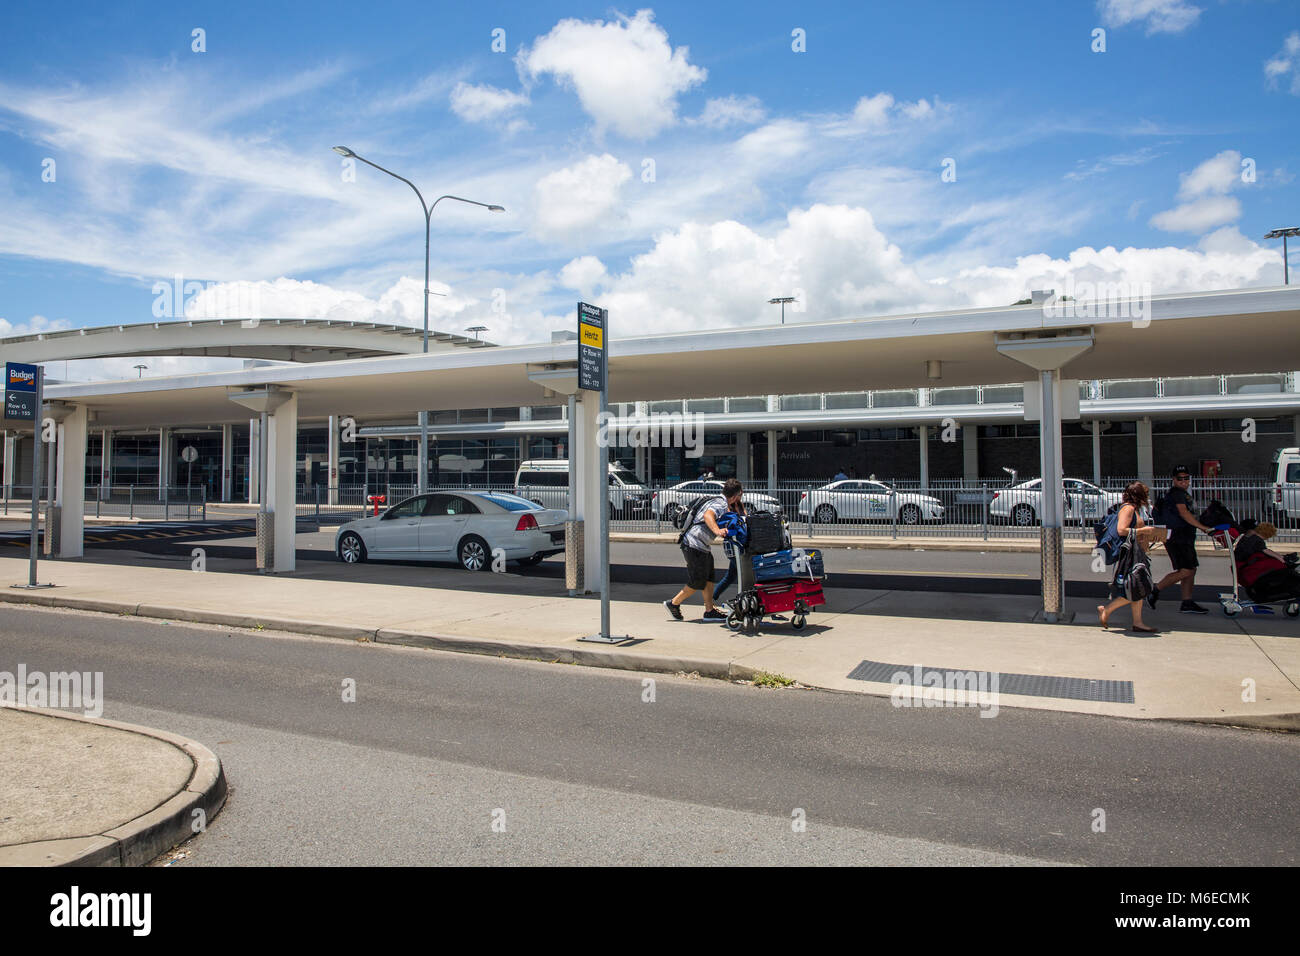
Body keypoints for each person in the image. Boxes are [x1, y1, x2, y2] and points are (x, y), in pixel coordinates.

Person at [665, 478, 742, 622]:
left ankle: (709, 610)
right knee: (697, 581)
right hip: (693, 544)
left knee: (709, 579)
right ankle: (673, 603)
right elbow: (708, 515)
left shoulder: (720, 500)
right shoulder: (719, 503)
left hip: (701, 546)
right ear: (735, 495)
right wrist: (717, 531)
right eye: (740, 496)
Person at [1149, 465, 1213, 614]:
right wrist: (1204, 528)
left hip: (1185, 537)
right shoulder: (1177, 494)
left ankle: (1187, 602)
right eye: (1180, 478)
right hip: (1178, 537)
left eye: (1186, 478)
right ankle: (1155, 590)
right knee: (1186, 571)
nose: (1184, 481)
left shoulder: (1182, 494)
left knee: (1191, 569)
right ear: (1174, 479)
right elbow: (1184, 513)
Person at [1098, 481, 1160, 633]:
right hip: (1130, 555)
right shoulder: (1128, 509)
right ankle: (1107, 609)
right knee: (1137, 585)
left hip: (1136, 552)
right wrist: (1144, 530)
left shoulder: (1134, 509)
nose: (1147, 497)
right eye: (1145, 494)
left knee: (1137, 585)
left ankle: (1138, 622)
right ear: (1138, 496)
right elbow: (1121, 530)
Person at [1233, 519, 1300, 604]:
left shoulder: (1248, 537)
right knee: (1279, 567)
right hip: (1247, 567)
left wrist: (1282, 557)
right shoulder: (1256, 539)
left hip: (1244, 565)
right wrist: (1282, 560)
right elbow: (1266, 551)